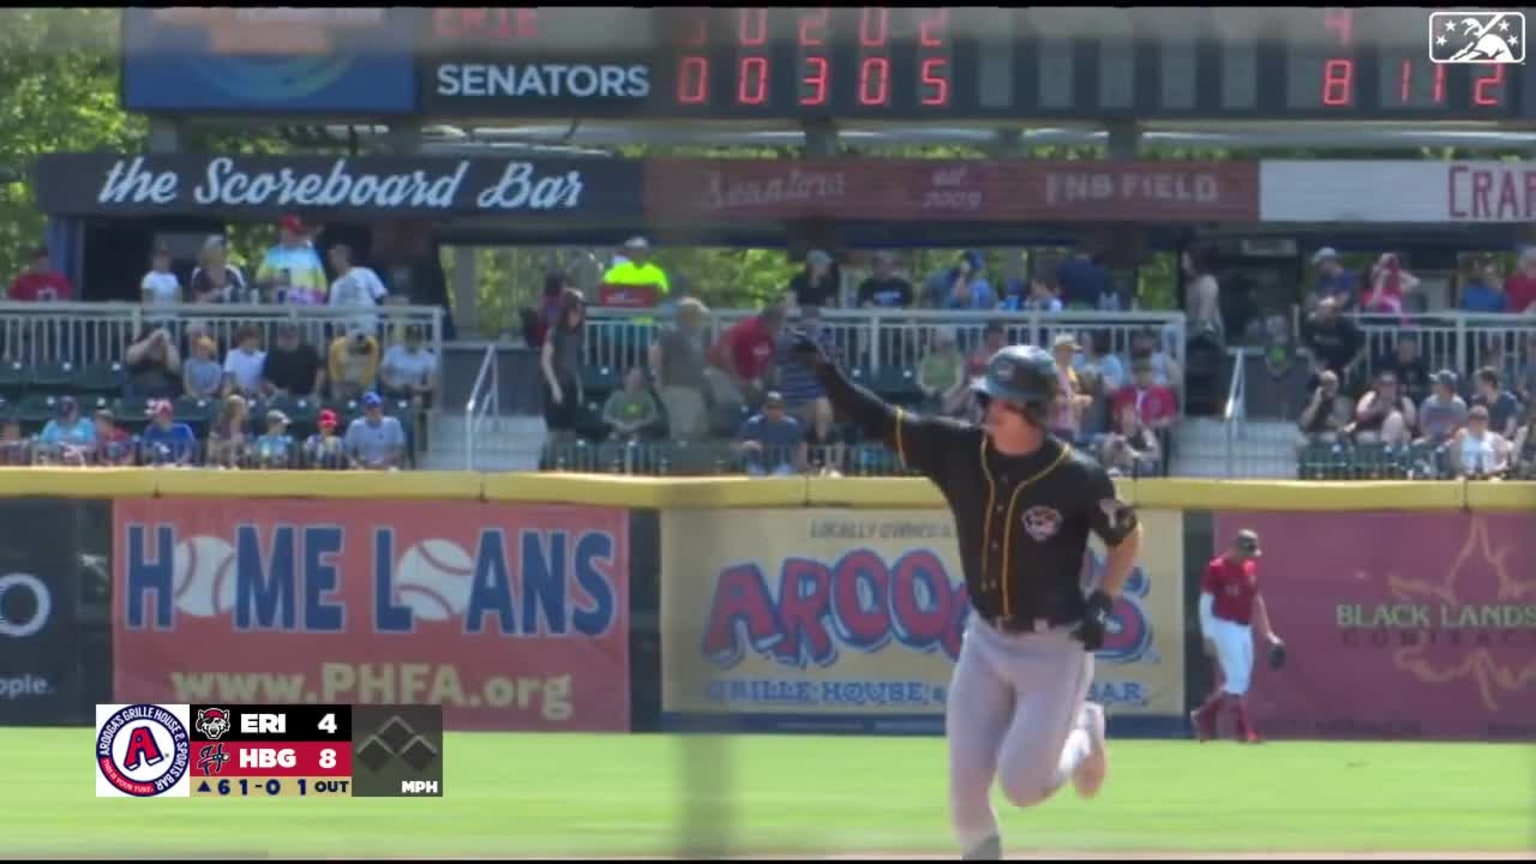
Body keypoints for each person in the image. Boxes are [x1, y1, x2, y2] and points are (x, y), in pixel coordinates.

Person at [790, 333, 1141, 860]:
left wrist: (1103, 602)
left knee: (1023, 788)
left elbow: (1127, 538)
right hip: (985, 641)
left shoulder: (1077, 476)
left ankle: (1086, 732)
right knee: (964, 788)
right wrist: (830, 377)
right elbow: (882, 421)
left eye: (1000, 400)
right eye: (987, 397)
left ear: (1033, 410)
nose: (987, 408)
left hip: (1054, 649)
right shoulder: (958, 449)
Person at [1191, 530, 1283, 744]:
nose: (1248, 557)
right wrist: (1208, 634)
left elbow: (1256, 600)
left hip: (1243, 628)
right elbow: (1205, 603)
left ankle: (1204, 716)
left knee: (1241, 680)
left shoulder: (1249, 567)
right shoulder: (1217, 568)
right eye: (1245, 551)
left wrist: (1268, 633)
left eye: (1252, 552)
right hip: (1222, 625)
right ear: (1235, 547)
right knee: (1238, 678)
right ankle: (1243, 731)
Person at [540, 289, 586, 444]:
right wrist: (554, 386)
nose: (578, 317)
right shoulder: (554, 333)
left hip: (571, 386)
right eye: (575, 312)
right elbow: (545, 360)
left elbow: (575, 364)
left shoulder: (578, 334)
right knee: (555, 433)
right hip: (556, 386)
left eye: (580, 313)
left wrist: (579, 387)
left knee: (570, 432)